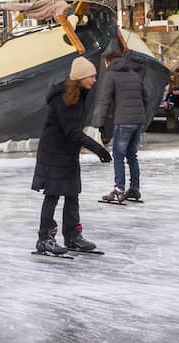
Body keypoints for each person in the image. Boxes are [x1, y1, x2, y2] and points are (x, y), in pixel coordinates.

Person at [33, 58, 113, 256]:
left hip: (68, 152)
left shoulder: (80, 93)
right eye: (92, 76)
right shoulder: (63, 98)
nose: (95, 80)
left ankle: (72, 236)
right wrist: (98, 148)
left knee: (72, 193)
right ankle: (45, 238)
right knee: (52, 194)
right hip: (54, 152)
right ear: (80, 77)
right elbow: (71, 131)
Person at [92, 50, 149, 203]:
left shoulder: (111, 75)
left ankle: (119, 189)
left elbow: (105, 100)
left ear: (109, 61)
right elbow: (145, 98)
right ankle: (135, 189)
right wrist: (142, 117)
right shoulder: (134, 74)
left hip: (124, 120)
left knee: (118, 154)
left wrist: (100, 123)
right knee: (132, 155)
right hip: (138, 120)